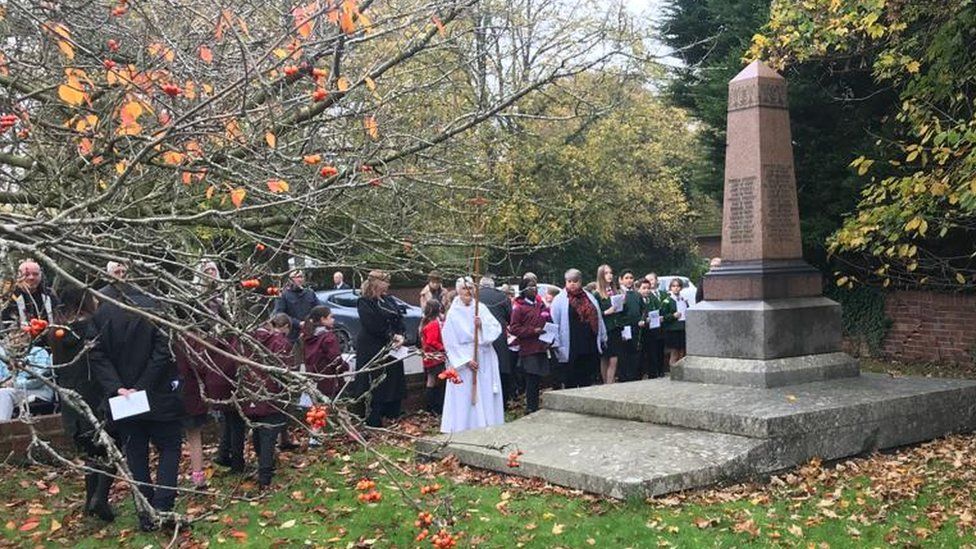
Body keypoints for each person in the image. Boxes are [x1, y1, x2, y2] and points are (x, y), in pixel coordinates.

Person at [89, 282, 185, 532]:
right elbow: (163, 351)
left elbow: (96, 354)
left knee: (136, 454)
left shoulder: (102, 315)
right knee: (169, 448)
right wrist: (140, 386)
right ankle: (162, 507)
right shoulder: (155, 308)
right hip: (157, 394)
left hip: (125, 399)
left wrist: (118, 387)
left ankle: (146, 513)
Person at [50, 287, 116, 521]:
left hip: (71, 401)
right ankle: (100, 497)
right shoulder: (92, 328)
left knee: (91, 453)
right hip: (95, 397)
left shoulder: (55, 332)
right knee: (110, 449)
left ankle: (90, 501)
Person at [440, 277, 505, 433]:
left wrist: (482, 325)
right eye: (464, 288)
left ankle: (487, 422)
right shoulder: (454, 312)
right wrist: (465, 360)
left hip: (484, 355)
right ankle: (463, 425)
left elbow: (496, 328)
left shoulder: (480, 308)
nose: (467, 292)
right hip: (464, 361)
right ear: (458, 291)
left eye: (470, 288)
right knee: (465, 395)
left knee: (485, 392)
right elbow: (449, 340)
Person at [242, 313, 292, 488]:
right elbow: (286, 369)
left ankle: (262, 465)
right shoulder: (279, 343)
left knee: (257, 429)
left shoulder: (247, 342)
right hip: (272, 394)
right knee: (269, 435)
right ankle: (265, 474)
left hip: (251, 392)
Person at [356, 270, 407, 427]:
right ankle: (373, 418)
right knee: (376, 382)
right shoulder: (364, 302)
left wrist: (400, 334)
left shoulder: (389, 299)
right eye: (386, 281)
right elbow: (373, 324)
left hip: (392, 348)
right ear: (377, 283)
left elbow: (398, 318)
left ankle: (392, 414)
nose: (389, 284)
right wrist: (391, 335)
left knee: (392, 380)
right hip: (373, 347)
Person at [550, 269, 606, 389]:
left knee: (587, 378)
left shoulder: (589, 297)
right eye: (569, 281)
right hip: (571, 345)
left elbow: (599, 318)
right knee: (571, 379)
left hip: (588, 343)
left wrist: (602, 337)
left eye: (575, 281)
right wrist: (556, 344)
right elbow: (554, 323)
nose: (572, 284)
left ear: (580, 281)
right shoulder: (559, 300)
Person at [508, 278, 550, 413]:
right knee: (531, 377)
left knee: (538, 378)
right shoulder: (519, 308)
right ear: (524, 290)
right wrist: (532, 331)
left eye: (535, 286)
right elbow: (514, 328)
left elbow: (548, 319)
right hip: (528, 349)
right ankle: (531, 407)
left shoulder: (540, 305)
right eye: (531, 287)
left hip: (541, 346)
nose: (534, 289)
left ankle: (535, 404)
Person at [477, 275, 516, 404]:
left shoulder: (474, 296)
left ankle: (483, 402)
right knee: (501, 367)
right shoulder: (502, 297)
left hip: (480, 337)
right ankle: (503, 401)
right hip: (498, 336)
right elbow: (510, 318)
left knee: (483, 369)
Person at [303, 306, 349, 401]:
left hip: (314, 379)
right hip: (330, 381)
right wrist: (346, 366)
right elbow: (335, 359)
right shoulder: (328, 338)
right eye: (331, 317)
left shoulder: (309, 336)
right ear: (323, 319)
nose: (333, 320)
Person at [0, 346, 54, 421]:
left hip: (39, 391)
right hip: (15, 393)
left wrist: (15, 384)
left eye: (21, 335)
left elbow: (40, 380)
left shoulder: (37, 351)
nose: (16, 338)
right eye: (12, 334)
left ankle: (3, 428)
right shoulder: (4, 356)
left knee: (3, 393)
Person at [2, 260, 59, 329]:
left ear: (41, 276)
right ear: (19, 277)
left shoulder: (49, 294)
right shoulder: (10, 296)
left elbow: (59, 318)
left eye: (35, 274)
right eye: (26, 274)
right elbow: (4, 324)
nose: (31, 278)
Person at [273, 269, 321, 342]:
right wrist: (298, 323)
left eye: (301, 277)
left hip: (310, 334)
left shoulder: (310, 293)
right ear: (290, 279)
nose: (300, 279)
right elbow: (279, 314)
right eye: (297, 277)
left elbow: (319, 309)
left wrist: (311, 321)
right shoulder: (284, 295)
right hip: (292, 336)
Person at [593, 264, 622, 384]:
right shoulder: (597, 294)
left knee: (614, 358)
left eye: (610, 273)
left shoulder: (615, 291)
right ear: (601, 276)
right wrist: (606, 312)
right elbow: (596, 314)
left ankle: (609, 383)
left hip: (616, 328)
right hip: (605, 329)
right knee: (606, 358)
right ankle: (607, 384)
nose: (609, 275)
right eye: (606, 273)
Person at [615, 270, 644, 382]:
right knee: (624, 353)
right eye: (626, 278)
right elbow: (617, 313)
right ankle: (624, 377)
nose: (629, 280)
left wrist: (642, 320)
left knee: (635, 352)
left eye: (631, 278)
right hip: (624, 328)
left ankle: (635, 376)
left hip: (636, 328)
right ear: (621, 280)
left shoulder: (637, 295)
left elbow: (643, 310)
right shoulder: (619, 294)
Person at [637, 276, 667, 379]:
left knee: (652, 353)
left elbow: (658, 309)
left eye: (648, 288)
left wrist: (658, 317)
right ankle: (640, 374)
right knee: (641, 354)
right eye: (644, 288)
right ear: (638, 289)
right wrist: (645, 320)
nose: (646, 290)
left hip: (652, 330)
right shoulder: (637, 299)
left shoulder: (652, 299)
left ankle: (653, 374)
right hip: (641, 331)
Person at [419, 300, 446, 415]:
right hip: (435, 357)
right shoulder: (434, 324)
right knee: (437, 381)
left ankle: (429, 407)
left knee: (430, 381)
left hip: (428, 357)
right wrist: (443, 348)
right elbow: (432, 341)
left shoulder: (424, 322)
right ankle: (435, 407)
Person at [661, 278, 689, 368]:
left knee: (682, 352)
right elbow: (663, 316)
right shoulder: (667, 301)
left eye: (678, 286)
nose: (676, 288)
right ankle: (673, 370)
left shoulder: (683, 300)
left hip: (682, 328)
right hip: (673, 329)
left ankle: (681, 370)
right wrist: (673, 316)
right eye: (673, 286)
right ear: (670, 288)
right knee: (674, 352)